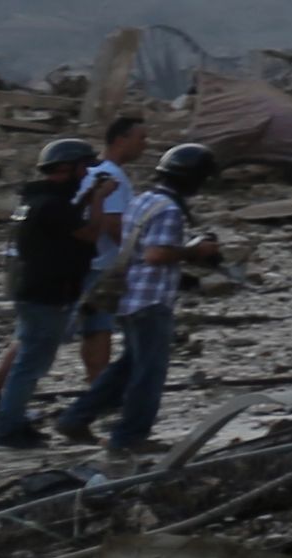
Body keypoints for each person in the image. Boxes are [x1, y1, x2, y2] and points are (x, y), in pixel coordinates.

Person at [66, 138, 218, 452]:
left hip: (128, 296)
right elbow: (155, 254)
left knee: (126, 366)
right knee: (149, 372)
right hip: (150, 299)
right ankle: (129, 436)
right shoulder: (170, 210)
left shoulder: (145, 199)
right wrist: (195, 251)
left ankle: (76, 417)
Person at [0, 137, 103, 447]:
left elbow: (63, 227)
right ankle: (8, 430)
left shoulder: (39, 200)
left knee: (28, 360)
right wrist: (100, 200)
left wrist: (88, 196)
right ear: (71, 168)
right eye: (84, 168)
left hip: (32, 290)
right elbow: (90, 233)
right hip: (47, 294)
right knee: (31, 365)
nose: (87, 173)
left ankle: (13, 422)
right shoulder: (53, 205)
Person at [55, 108, 156, 421]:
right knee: (52, 334)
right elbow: (112, 224)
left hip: (97, 263)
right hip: (98, 266)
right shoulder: (111, 175)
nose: (146, 145)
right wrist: (136, 255)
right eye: (141, 138)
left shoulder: (109, 172)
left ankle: (99, 389)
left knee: (97, 330)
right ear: (121, 139)